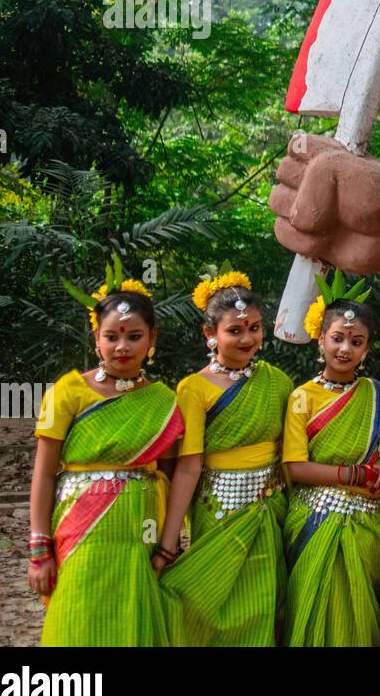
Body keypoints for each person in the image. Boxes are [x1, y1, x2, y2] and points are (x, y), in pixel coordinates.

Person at [30, 275, 183, 645]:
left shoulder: (164, 401)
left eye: (134, 337)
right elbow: (44, 473)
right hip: (78, 528)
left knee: (135, 619)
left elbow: (170, 475)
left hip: (139, 530)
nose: (122, 347)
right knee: (78, 617)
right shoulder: (67, 392)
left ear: (152, 339)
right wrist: (39, 549)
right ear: (96, 337)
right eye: (111, 336)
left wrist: (167, 543)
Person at [157, 271, 293, 645]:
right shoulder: (194, 388)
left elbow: (290, 455)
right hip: (217, 508)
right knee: (212, 604)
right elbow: (188, 465)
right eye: (235, 330)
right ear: (210, 335)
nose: (247, 338)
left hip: (269, 507)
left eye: (254, 327)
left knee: (265, 605)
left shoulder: (278, 382)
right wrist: (169, 541)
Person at [282, 288, 380, 646]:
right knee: (312, 607)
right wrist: (355, 474)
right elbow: (296, 467)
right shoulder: (302, 397)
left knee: (360, 611)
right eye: (338, 338)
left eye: (356, 341)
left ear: (366, 349)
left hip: (367, 520)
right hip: (315, 516)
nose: (345, 349)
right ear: (320, 340)